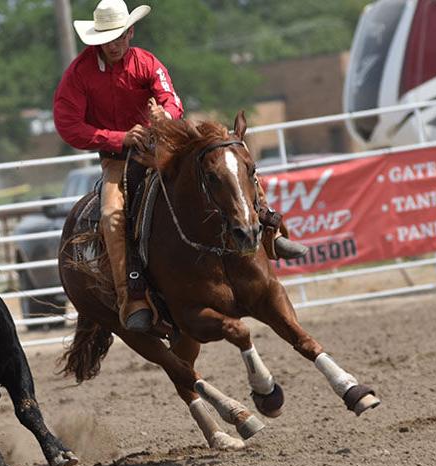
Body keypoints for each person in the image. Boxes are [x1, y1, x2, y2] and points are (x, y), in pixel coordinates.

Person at [53, 0, 307, 332]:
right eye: (106, 39)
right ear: (95, 41)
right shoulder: (79, 74)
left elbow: (170, 98)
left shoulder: (146, 63)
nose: (113, 45)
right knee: (111, 215)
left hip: (165, 148)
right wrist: (119, 138)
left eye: (119, 36)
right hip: (118, 160)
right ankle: (132, 297)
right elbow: (68, 124)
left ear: (130, 32)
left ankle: (270, 234)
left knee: (230, 170)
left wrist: (165, 115)